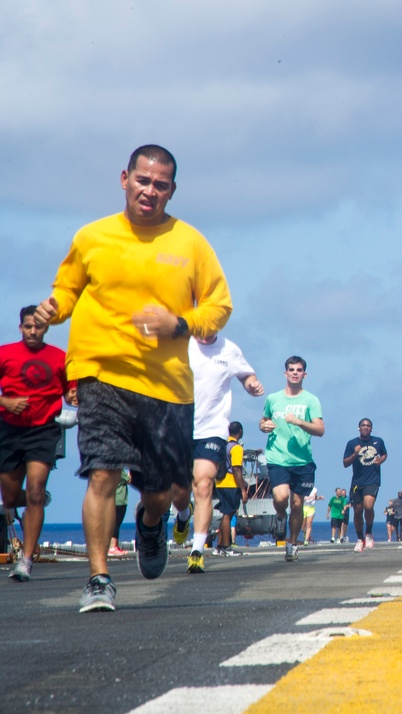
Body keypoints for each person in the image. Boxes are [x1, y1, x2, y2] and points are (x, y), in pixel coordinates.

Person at [34, 145, 233, 612]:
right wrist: (53, 310)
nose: (150, 191)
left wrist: (178, 324)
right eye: (143, 180)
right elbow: (67, 288)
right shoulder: (92, 237)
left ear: (172, 190)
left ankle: (149, 522)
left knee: (163, 492)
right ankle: (99, 579)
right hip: (100, 372)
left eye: (160, 184)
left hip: (166, 385)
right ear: (124, 178)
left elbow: (219, 306)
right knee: (102, 473)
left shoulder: (190, 243)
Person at [1, 305, 77, 581]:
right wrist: (5, 401)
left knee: (34, 489)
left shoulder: (59, 358)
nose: (34, 331)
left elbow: (70, 391)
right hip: (9, 430)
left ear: (46, 328)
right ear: (20, 327)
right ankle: (39, 500)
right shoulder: (4, 353)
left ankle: (26, 560)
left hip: (44, 430)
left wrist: (74, 396)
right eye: (28, 326)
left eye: (39, 327)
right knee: (9, 498)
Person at [180, 331, 263, 573]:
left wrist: (251, 384)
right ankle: (184, 514)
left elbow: (246, 374)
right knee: (179, 490)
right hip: (180, 426)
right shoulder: (179, 344)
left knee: (203, 484)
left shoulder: (230, 349)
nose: (207, 331)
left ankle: (197, 551)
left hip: (212, 429)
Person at [260, 356, 324, 562]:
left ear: (304, 374)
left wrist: (299, 422)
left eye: (298, 370)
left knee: (297, 504)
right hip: (277, 457)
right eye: (291, 369)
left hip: (302, 460)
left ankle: (293, 543)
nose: (295, 372)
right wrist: (263, 426)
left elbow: (320, 429)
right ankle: (280, 516)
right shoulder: (273, 398)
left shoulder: (311, 400)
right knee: (280, 498)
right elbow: (264, 420)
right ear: (285, 373)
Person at [343, 417, 387, 553]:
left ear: (371, 428)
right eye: (363, 425)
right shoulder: (352, 443)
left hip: (372, 480)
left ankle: (368, 532)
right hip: (357, 482)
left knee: (368, 506)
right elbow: (345, 463)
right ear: (359, 428)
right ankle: (360, 538)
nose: (366, 427)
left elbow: (384, 454)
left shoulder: (378, 441)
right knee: (357, 511)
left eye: (368, 425)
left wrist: (381, 460)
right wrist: (355, 453)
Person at [212, 421, 249, 559]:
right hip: (230, 483)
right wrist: (243, 489)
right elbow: (236, 469)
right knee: (228, 514)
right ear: (240, 431)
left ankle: (220, 546)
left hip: (220, 482)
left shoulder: (223, 445)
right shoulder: (237, 448)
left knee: (225, 514)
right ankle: (227, 547)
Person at [108, 470, 131, 556]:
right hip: (119, 501)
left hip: (113, 499)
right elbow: (129, 480)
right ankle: (112, 547)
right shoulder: (119, 469)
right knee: (116, 524)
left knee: (115, 524)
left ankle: (115, 546)